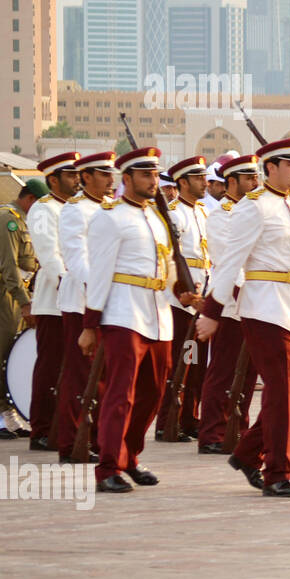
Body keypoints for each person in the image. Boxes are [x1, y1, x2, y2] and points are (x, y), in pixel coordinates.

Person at [196, 137, 290, 498]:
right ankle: (276, 472)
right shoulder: (254, 208)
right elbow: (230, 262)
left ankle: (248, 453)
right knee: (280, 391)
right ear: (271, 168)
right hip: (265, 308)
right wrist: (213, 313)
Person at [82, 147, 199, 492]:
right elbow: (100, 273)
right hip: (123, 312)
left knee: (152, 393)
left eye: (155, 175)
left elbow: (169, 265)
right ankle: (107, 468)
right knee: (121, 394)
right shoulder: (110, 217)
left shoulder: (158, 217)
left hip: (158, 313)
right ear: (127, 178)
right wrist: (91, 324)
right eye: (145, 175)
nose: (153, 181)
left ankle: (129, 457)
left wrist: (182, 294)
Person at [53, 151, 118, 462]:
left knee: (104, 377)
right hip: (83, 302)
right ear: (86, 177)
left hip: (110, 302)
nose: (110, 180)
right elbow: (77, 260)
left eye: (111, 174)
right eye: (103, 174)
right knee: (80, 377)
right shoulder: (74, 211)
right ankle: (71, 443)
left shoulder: (111, 209)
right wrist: (101, 291)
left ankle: (97, 439)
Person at [196, 154, 260, 455]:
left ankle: (238, 427)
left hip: (253, 302)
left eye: (255, 177)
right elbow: (228, 263)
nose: (255, 183)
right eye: (248, 178)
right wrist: (247, 292)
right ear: (231, 182)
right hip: (229, 302)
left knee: (246, 373)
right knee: (222, 370)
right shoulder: (222, 216)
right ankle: (211, 432)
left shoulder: (253, 211)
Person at [24, 153, 80, 449]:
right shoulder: (44, 209)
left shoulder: (76, 208)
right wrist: (69, 283)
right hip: (54, 300)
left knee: (72, 368)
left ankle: (65, 427)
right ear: (53, 180)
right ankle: (42, 430)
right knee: (51, 366)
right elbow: (48, 254)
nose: (76, 179)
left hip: (78, 298)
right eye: (70, 175)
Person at [161, 155, 212, 441]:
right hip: (180, 303)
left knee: (194, 363)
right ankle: (169, 419)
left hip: (200, 303)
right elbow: (169, 259)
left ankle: (189, 418)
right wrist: (184, 294)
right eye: (198, 178)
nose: (204, 182)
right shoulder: (175, 214)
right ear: (182, 182)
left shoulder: (202, 212)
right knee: (179, 362)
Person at [0, 180, 47, 438]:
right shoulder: (8, 219)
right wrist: (25, 301)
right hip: (1, 291)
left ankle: (7, 413)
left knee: (9, 353)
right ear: (31, 199)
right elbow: (9, 265)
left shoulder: (23, 220)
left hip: (14, 291)